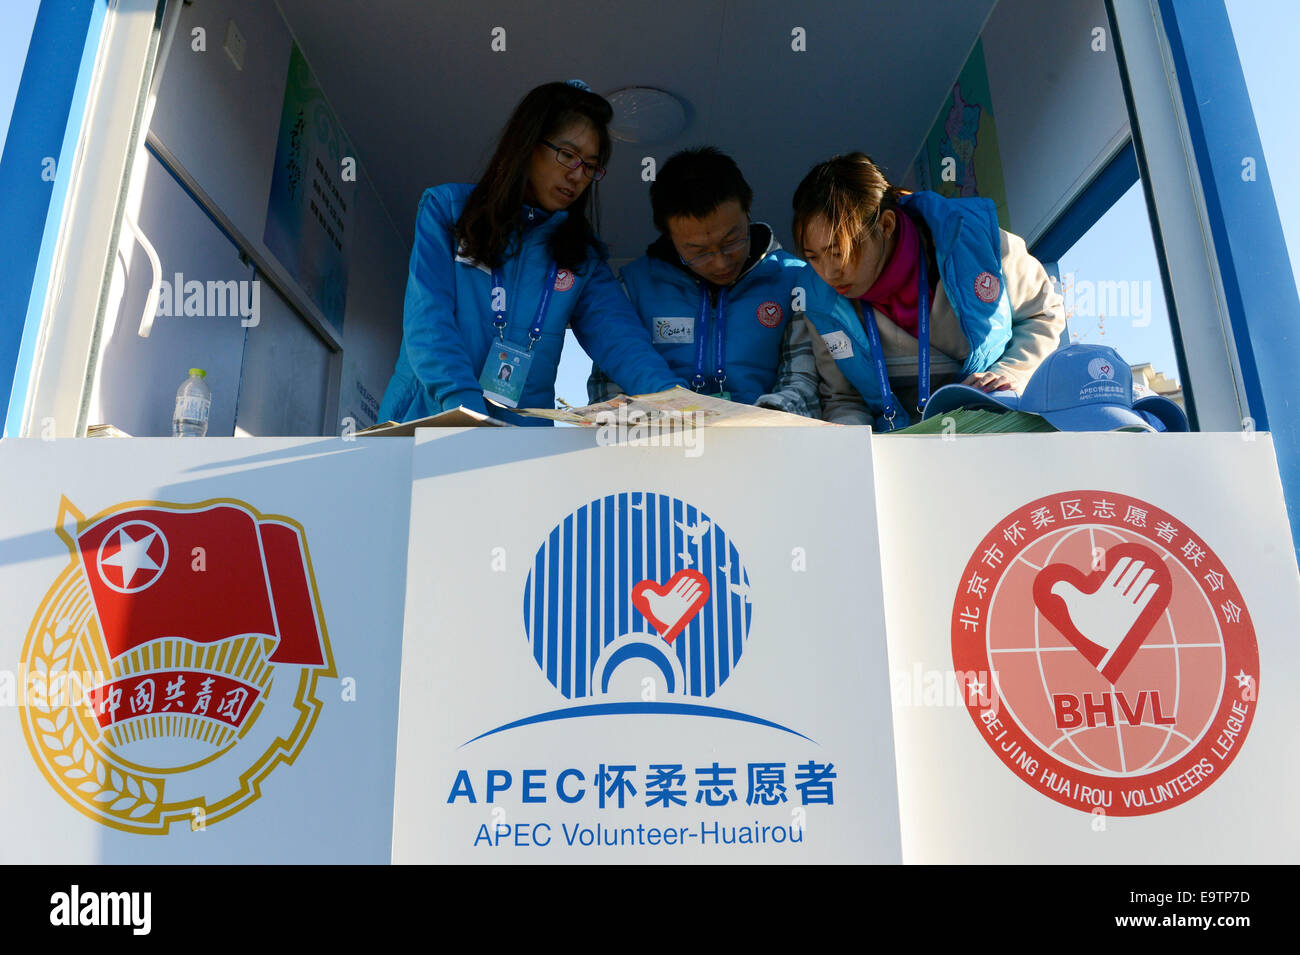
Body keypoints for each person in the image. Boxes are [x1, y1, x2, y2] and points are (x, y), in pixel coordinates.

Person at [377, 81, 685, 425]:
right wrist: (465, 410)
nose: (577, 175)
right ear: (527, 144)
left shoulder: (581, 256)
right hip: (428, 420)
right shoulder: (447, 211)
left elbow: (624, 344)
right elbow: (428, 323)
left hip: (519, 440)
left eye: (590, 166)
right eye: (568, 155)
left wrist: (679, 405)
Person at [791, 152, 1066, 429]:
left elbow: (1043, 313)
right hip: (899, 457)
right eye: (813, 257)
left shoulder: (977, 242)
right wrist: (855, 451)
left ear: (886, 225)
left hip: (993, 428)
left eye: (839, 253)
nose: (828, 273)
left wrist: (1012, 373)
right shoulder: (817, 299)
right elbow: (844, 400)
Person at [588, 148, 856, 416]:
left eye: (732, 240)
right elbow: (611, 385)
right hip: (657, 446)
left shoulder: (796, 280)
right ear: (668, 235)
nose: (720, 263)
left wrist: (762, 419)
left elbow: (802, 381)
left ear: (748, 207)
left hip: (764, 441)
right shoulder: (632, 287)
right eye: (698, 251)